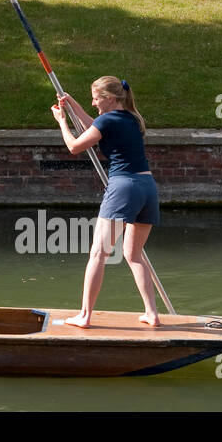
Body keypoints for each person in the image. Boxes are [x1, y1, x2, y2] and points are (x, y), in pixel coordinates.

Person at [51, 76, 161, 328]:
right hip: (147, 188)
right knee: (133, 255)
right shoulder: (131, 118)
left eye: (96, 98)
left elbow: (75, 146)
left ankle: (85, 316)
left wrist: (62, 122)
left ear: (110, 99)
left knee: (98, 254)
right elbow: (96, 127)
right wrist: (72, 104)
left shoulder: (108, 120)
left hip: (124, 187)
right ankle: (152, 314)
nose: (93, 103)